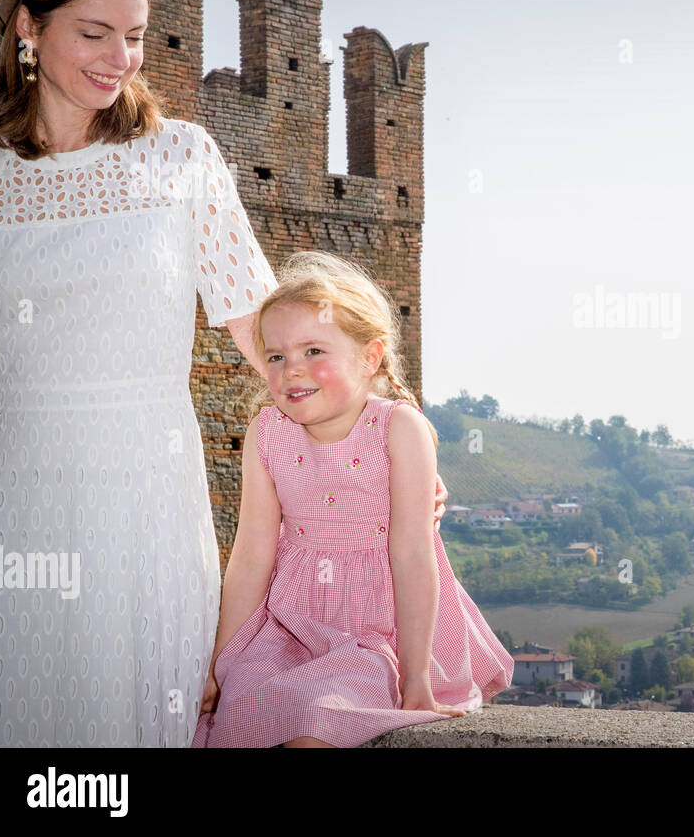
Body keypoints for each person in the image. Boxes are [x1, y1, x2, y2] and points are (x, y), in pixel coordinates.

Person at [0, 0, 450, 747]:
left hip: (145, 499)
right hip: (8, 498)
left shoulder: (181, 157)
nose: (120, 60)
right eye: (93, 33)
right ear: (27, 28)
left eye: (135, 36)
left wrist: (385, 426)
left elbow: (266, 331)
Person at [193, 251, 514, 747]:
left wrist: (416, 680)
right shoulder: (267, 433)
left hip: (378, 632)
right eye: (276, 356)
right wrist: (218, 665)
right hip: (290, 628)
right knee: (241, 714)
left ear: (369, 358)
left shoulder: (398, 427)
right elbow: (252, 555)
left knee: (319, 724)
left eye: (313, 351)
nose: (291, 370)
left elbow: (412, 553)